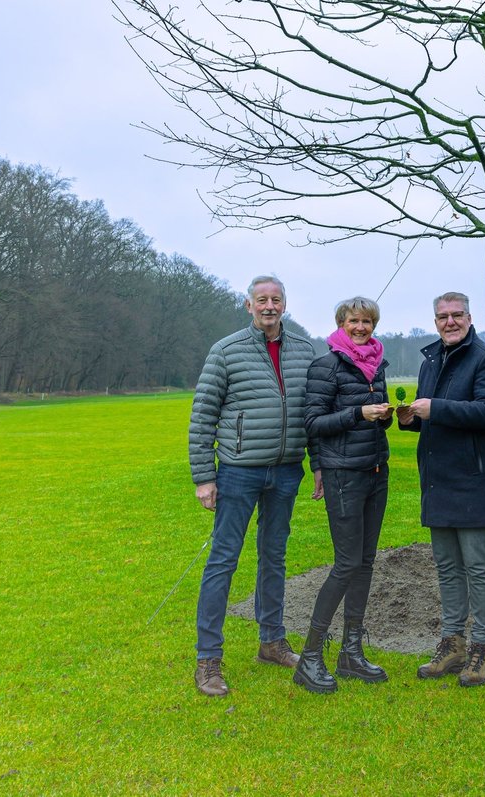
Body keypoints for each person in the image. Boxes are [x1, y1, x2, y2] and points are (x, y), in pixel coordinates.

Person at [189, 275, 322, 697]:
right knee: (223, 560)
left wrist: (317, 464)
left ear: (285, 304)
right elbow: (202, 416)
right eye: (261, 300)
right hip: (238, 471)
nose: (269, 306)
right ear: (249, 305)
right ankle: (208, 659)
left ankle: (272, 641)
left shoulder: (304, 350)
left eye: (276, 299)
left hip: (285, 471)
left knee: (274, 557)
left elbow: (314, 414)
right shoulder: (225, 351)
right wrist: (204, 477)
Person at [399, 291, 485, 687]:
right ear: (435, 320)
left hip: (474, 480)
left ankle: (482, 649)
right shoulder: (432, 359)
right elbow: (430, 412)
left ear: (469, 316)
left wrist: (436, 409)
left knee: (478, 568)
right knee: (446, 568)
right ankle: (452, 643)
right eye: (443, 316)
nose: (450, 321)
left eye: (457, 315)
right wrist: (412, 418)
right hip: (437, 481)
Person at [292, 295, 392, 694]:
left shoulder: (377, 364)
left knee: (365, 562)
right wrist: (358, 414)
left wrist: (384, 417)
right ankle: (310, 657)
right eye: (354, 321)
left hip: (376, 471)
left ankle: (351, 652)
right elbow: (313, 423)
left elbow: (370, 421)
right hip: (343, 476)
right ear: (341, 323)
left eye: (367, 321)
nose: (361, 327)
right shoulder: (326, 366)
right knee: (346, 563)